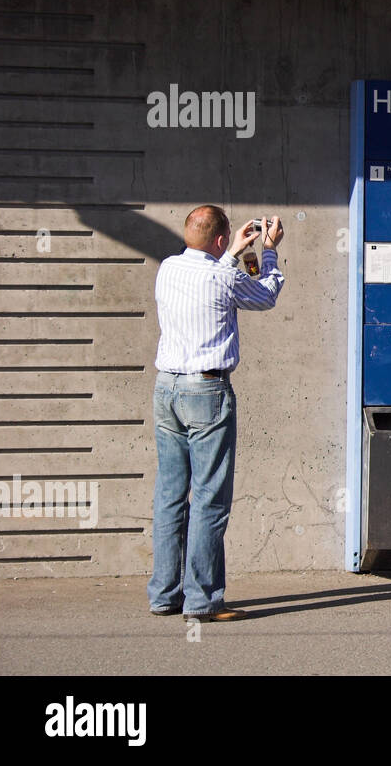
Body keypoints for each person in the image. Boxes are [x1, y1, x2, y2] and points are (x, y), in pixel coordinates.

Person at [147, 206, 285, 621]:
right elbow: (266, 294)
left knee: (171, 495)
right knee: (210, 499)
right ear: (222, 239)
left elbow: (217, 272)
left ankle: (164, 595)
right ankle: (203, 600)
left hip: (166, 388)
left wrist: (233, 252)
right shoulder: (226, 275)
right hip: (206, 390)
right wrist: (269, 251)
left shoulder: (168, 267)